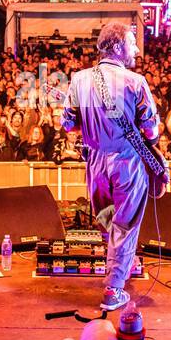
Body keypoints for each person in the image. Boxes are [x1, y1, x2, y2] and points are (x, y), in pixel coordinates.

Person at [62, 22, 161, 311]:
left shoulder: (79, 79)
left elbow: (67, 124)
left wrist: (94, 129)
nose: (137, 49)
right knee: (126, 224)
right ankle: (113, 289)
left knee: (107, 217)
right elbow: (152, 130)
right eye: (132, 43)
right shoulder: (135, 82)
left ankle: (117, 263)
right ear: (118, 47)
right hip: (126, 161)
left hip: (95, 162)